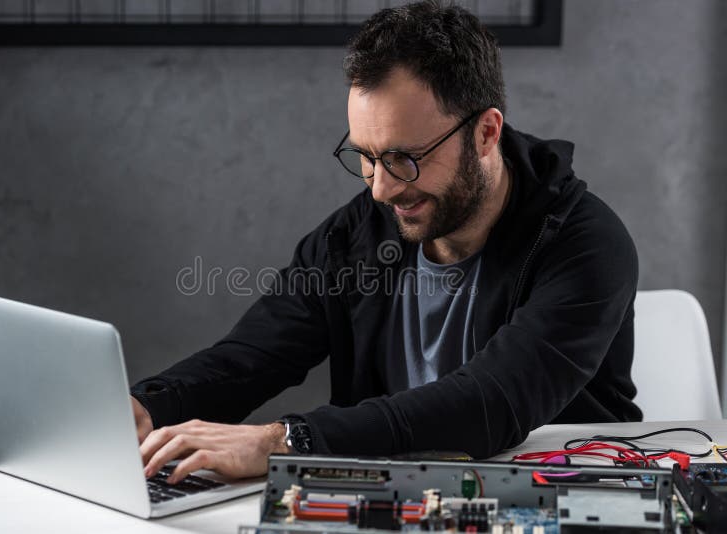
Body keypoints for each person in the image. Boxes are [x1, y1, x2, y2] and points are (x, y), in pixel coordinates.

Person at [130, 1, 641, 484]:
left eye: (403, 157)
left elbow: (492, 404)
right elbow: (254, 356)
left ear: (486, 133)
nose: (381, 187)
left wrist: (287, 441)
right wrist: (147, 409)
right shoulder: (355, 234)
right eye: (366, 157)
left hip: (555, 498)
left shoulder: (586, 245)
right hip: (387, 502)